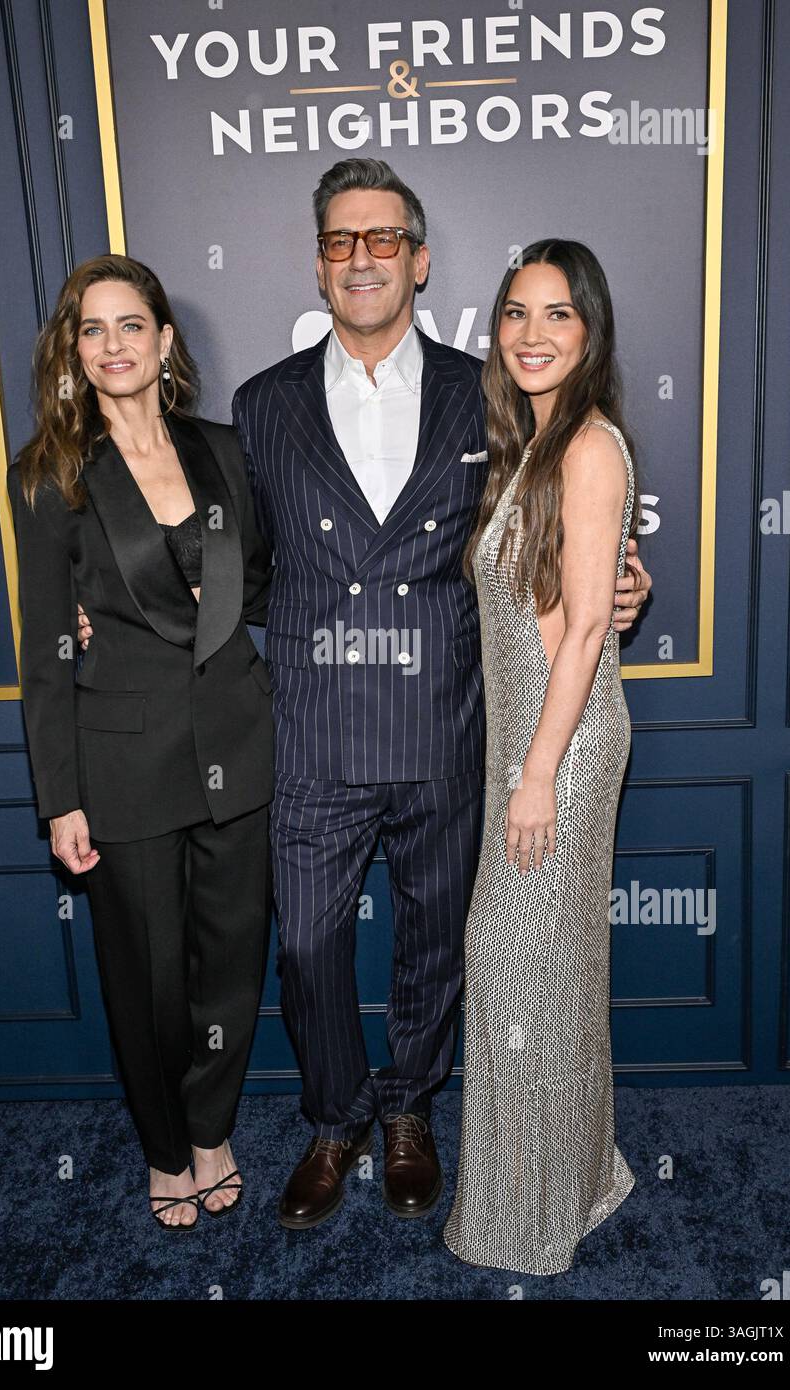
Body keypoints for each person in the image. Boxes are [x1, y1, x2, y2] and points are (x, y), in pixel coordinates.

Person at [229, 160, 651, 1230]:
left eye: (382, 239)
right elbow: (248, 567)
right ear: (318, 263)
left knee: (434, 939)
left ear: (419, 260)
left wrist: (618, 587)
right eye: (339, 241)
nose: (360, 258)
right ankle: (336, 1120)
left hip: (449, 726)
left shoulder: (489, 390)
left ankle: (410, 1110)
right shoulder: (261, 404)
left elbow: (549, 535)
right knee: (309, 945)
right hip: (316, 729)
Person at [7, 254, 274, 1231]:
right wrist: (60, 796)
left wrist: (228, 594)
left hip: (239, 745)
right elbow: (41, 654)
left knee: (232, 962)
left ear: (165, 342)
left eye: (132, 324)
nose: (114, 344)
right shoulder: (50, 477)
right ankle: (166, 1148)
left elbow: (268, 579)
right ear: (72, 353)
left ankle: (212, 1130)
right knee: (150, 977)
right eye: (92, 328)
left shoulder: (224, 451)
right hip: (123, 763)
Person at [443, 240, 639, 1274]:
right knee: (550, 974)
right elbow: (570, 595)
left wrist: (534, 770)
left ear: (590, 330)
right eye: (515, 313)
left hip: (556, 746)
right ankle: (573, 1176)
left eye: (556, 314)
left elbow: (580, 638)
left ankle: (529, 1215)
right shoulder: (532, 441)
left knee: (512, 960)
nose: (531, 333)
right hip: (523, 743)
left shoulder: (589, 446)